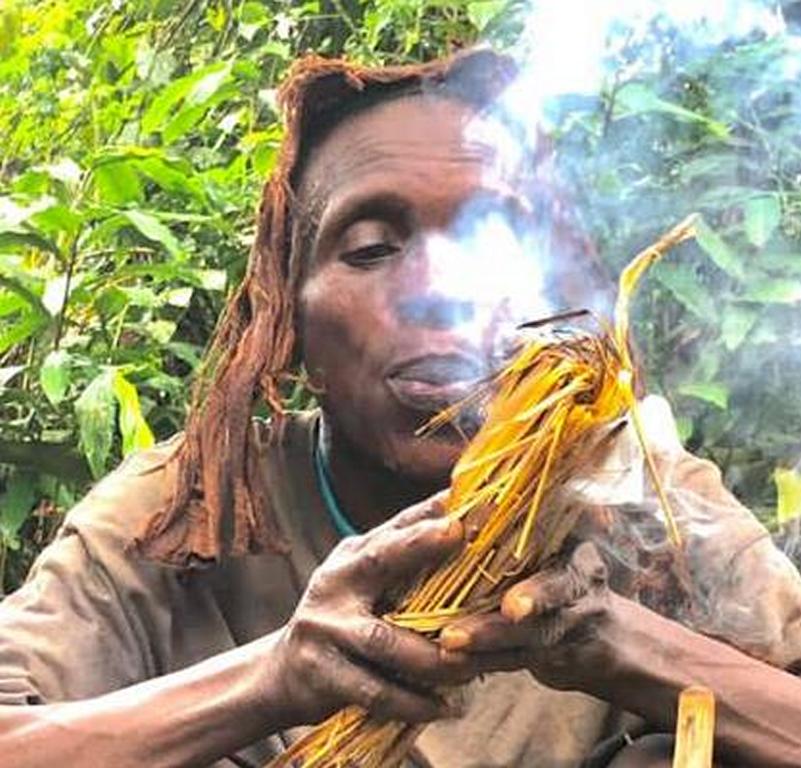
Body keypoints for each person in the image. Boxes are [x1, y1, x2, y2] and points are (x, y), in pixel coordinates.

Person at [1, 49, 801, 768]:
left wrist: (622, 644)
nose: (439, 291)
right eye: (373, 248)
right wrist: (273, 676)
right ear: (293, 330)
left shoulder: (643, 502)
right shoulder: (185, 511)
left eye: (492, 241)